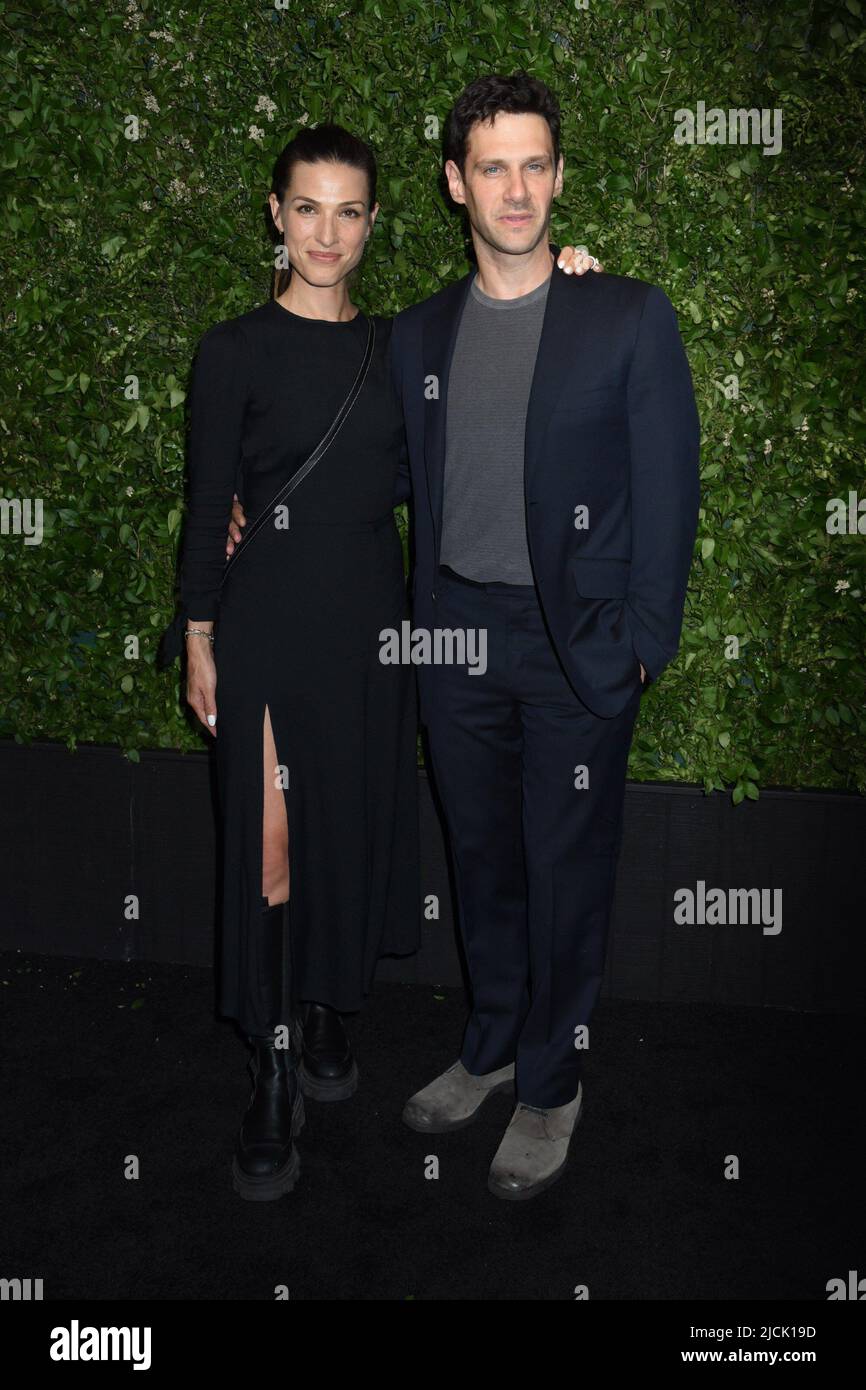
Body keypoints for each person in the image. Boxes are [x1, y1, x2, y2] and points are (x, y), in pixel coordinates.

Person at [175, 121, 598, 1201]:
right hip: (265, 635)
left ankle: (325, 1016)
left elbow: (497, 401)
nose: (326, 231)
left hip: (374, 639)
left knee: (348, 840)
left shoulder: (407, 346)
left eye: (348, 210)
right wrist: (200, 635)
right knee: (271, 853)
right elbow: (202, 508)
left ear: (372, 222)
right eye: (305, 207)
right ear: (276, 216)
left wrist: (576, 288)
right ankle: (271, 1073)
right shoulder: (229, 349)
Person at [386, 72, 701, 1201]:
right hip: (456, 640)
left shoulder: (623, 314)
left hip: (576, 647)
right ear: (453, 183)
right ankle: (488, 1044)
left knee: (564, 869)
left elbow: (668, 491)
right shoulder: (416, 333)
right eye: (490, 166)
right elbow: (377, 474)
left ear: (558, 176)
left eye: (532, 164)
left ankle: (550, 1083)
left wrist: (641, 641)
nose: (514, 188)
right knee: (480, 863)